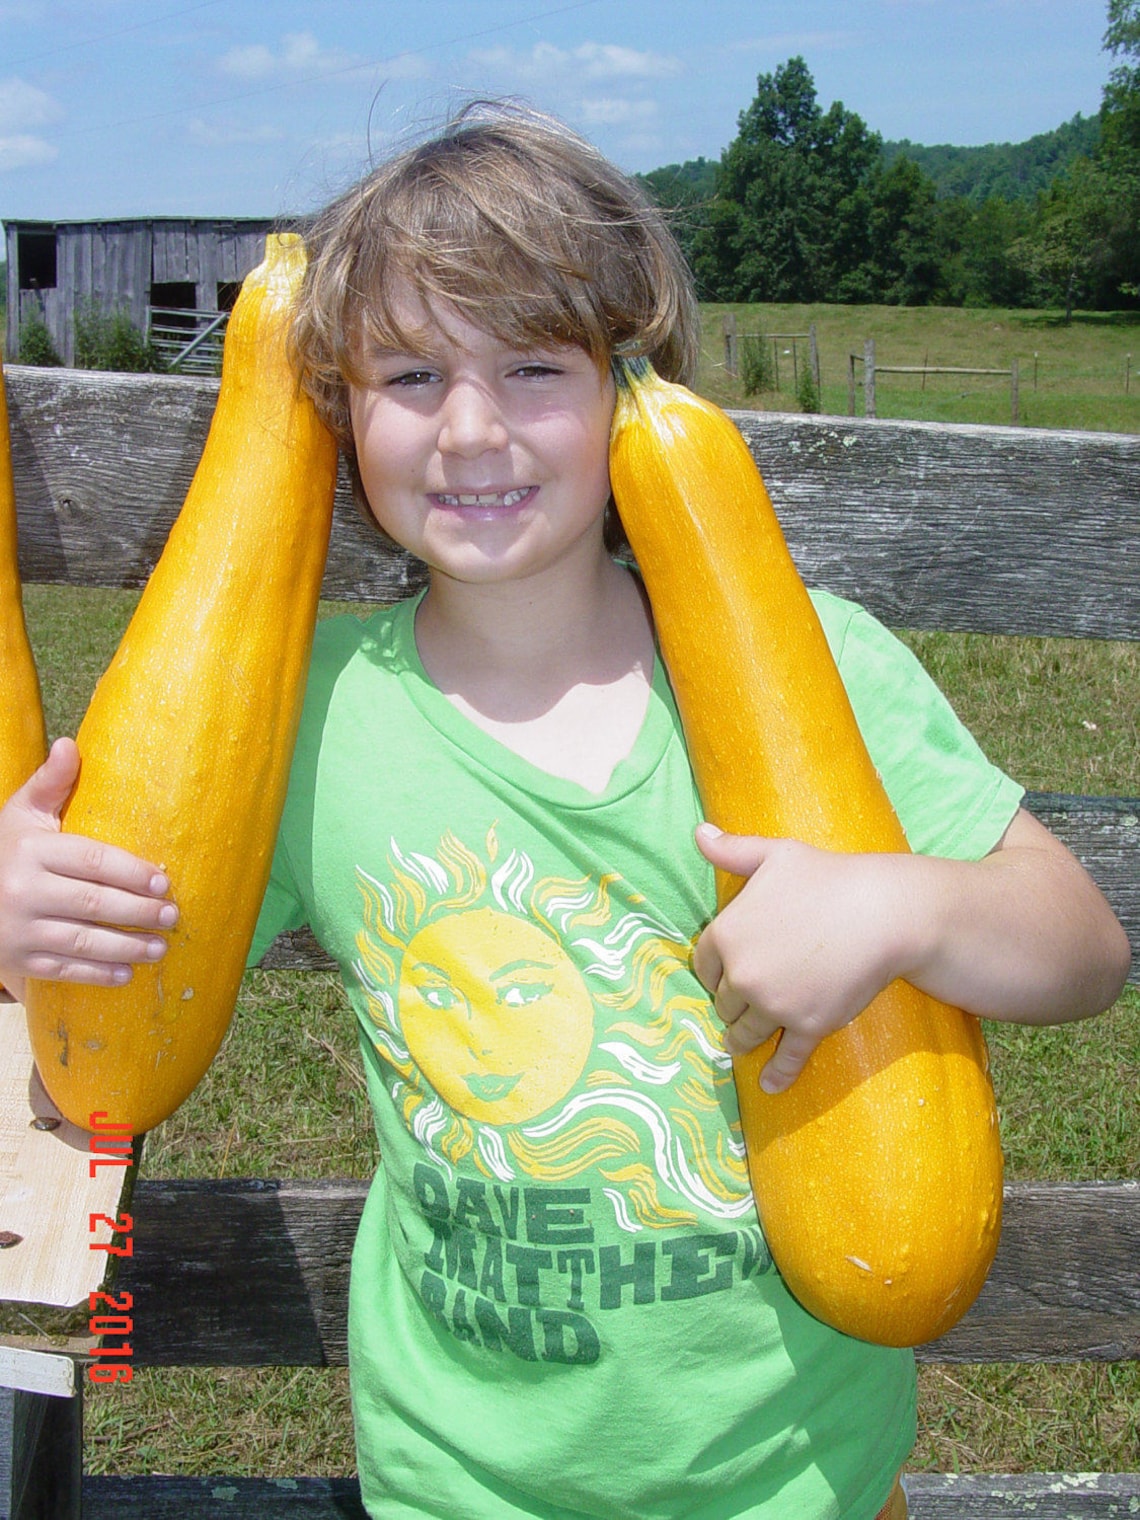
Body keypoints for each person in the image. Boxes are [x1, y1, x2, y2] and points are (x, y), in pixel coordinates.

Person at [0, 103, 1129, 1520]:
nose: (472, 429)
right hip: (460, 1490)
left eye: (534, 368)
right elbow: (106, 1034)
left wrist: (910, 905)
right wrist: (19, 905)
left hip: (797, 1488)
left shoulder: (821, 662)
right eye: (411, 374)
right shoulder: (306, 718)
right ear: (338, 415)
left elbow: (1082, 947)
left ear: (631, 393)